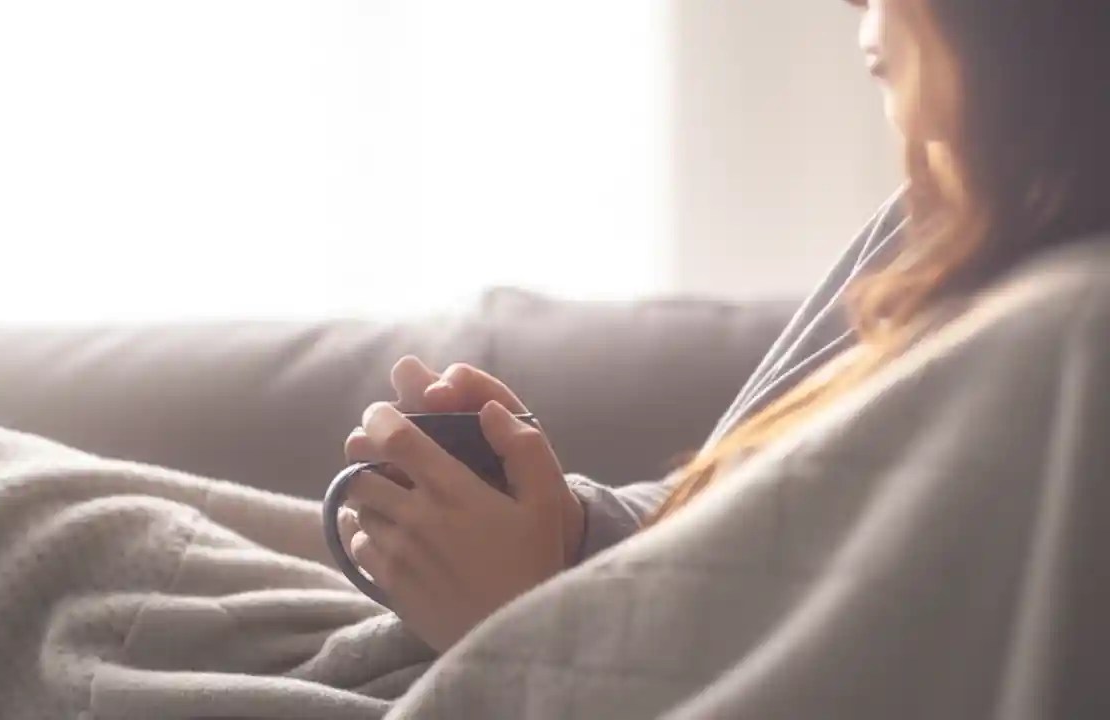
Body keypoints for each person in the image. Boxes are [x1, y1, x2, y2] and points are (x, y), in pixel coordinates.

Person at [334, 0, 1110, 662]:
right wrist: (568, 535)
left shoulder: (1072, 340)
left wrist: (521, 626)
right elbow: (741, 538)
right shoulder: (942, 222)